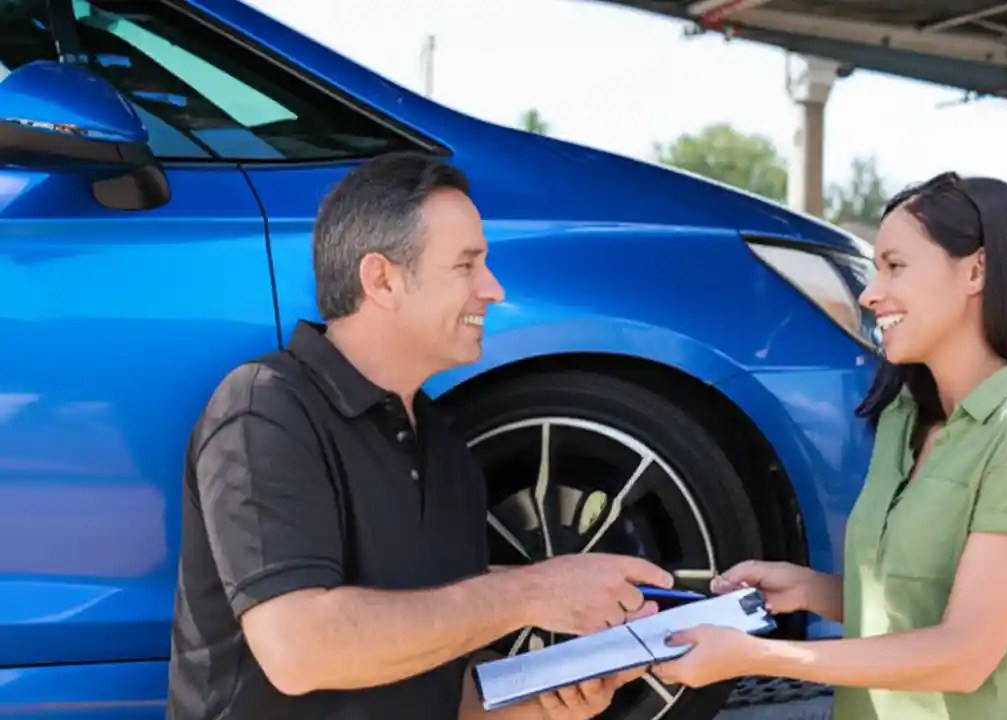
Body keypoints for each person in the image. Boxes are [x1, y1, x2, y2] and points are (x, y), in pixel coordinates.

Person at [167, 151, 674, 720]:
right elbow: (299, 649)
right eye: (466, 265)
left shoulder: (446, 452)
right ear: (381, 279)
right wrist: (535, 591)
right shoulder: (266, 408)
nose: (494, 289)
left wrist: (544, 703)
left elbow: (439, 688)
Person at [651, 172, 1007, 720]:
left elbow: (963, 654)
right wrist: (813, 591)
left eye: (895, 266)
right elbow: (916, 606)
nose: (870, 294)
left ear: (975, 270)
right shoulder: (904, 417)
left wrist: (760, 655)